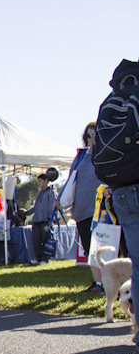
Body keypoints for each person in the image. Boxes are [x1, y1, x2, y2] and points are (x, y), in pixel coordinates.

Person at [64, 123, 105, 294]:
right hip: (81, 209)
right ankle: (98, 283)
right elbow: (71, 178)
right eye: (89, 135)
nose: (92, 138)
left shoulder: (105, 154)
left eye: (95, 134)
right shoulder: (80, 155)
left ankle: (110, 282)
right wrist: (60, 199)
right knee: (90, 248)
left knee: (103, 247)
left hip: (99, 209)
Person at [26, 174, 56, 265]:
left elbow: (53, 206)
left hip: (46, 220)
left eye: (40, 181)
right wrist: (27, 212)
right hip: (37, 220)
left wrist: (52, 219)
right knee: (36, 240)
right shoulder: (40, 193)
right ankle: (38, 258)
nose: (39, 183)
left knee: (46, 240)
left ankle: (45, 259)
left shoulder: (51, 192)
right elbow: (36, 207)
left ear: (46, 180)